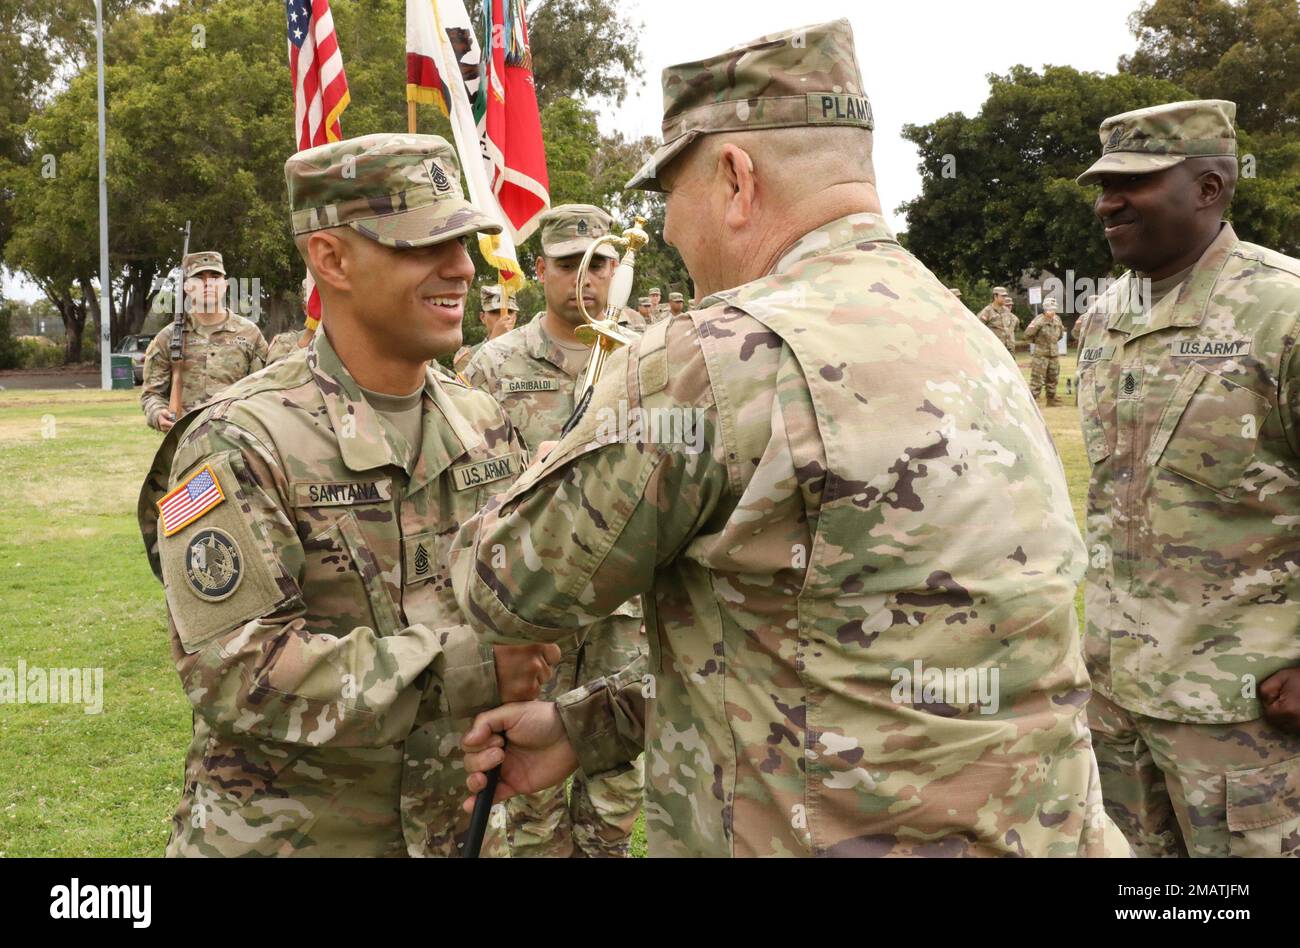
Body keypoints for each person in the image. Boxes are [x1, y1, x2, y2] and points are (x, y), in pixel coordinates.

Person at [451, 19, 1128, 858]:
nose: (665, 234)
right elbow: (847, 659)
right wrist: (592, 726)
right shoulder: (966, 335)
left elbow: (502, 587)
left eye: (671, 196)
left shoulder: (720, 356)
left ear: (735, 178)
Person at [136, 132, 559, 857]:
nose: (461, 269)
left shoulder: (483, 422)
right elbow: (241, 672)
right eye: (422, 246)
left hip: (455, 832)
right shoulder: (239, 441)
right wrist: (468, 666)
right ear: (330, 258)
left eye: (463, 243)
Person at [1074, 99, 1300, 857]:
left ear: (1210, 188)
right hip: (1119, 706)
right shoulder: (1102, 320)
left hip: (1248, 720)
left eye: (1134, 182)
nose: (1108, 201)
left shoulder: (1284, 312)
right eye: (1104, 184)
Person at [462, 204, 646, 857]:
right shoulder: (492, 366)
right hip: (536, 607)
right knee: (532, 799)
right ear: (539, 270)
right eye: (567, 264)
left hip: (628, 605)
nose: (583, 279)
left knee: (616, 791)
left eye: (599, 264)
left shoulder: (655, 354)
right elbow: (466, 493)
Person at [140, 251, 268, 431]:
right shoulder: (167, 338)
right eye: (199, 277)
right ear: (187, 286)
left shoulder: (250, 334)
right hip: (184, 440)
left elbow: (263, 390)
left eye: (215, 276)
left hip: (237, 439)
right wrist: (158, 413)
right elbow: (152, 394)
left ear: (225, 285)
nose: (207, 283)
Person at [454, 284, 520, 374]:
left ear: (515, 318)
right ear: (482, 317)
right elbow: (466, 384)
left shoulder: (530, 352)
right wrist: (492, 344)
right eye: (495, 312)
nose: (503, 316)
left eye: (509, 311)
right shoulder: (468, 356)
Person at [1023, 297, 1064, 405]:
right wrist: (1038, 342)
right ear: (1045, 309)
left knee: (1053, 378)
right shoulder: (1038, 321)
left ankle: (1051, 399)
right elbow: (1027, 334)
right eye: (1050, 309)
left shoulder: (1057, 319)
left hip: (1054, 354)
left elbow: (1060, 335)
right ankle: (1032, 401)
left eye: (1054, 309)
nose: (1052, 311)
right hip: (1041, 355)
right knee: (1037, 379)